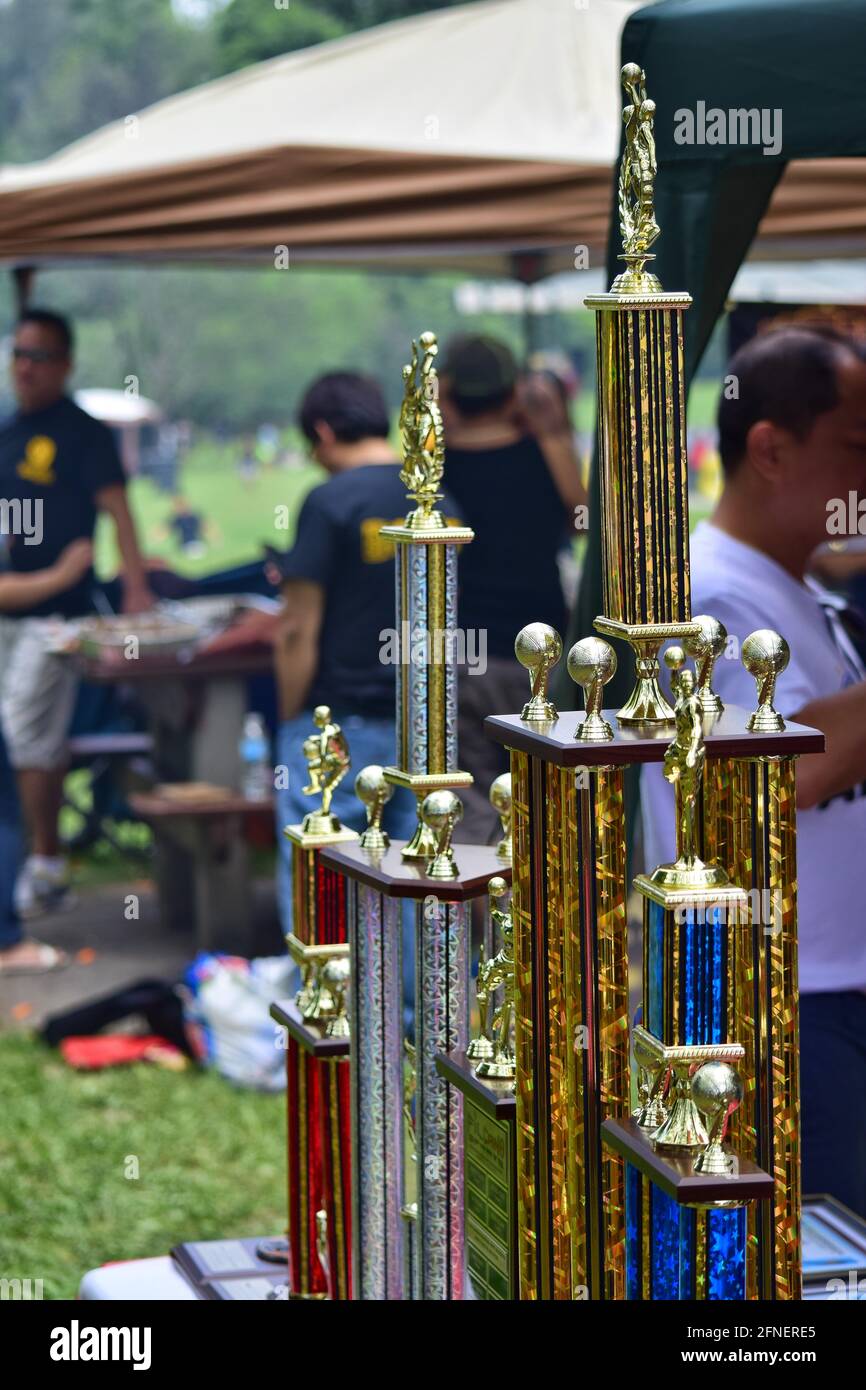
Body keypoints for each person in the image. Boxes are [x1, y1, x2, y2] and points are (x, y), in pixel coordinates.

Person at [641, 324, 866, 1217]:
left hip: (822, 985)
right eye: (855, 447)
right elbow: (777, 777)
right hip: (778, 997)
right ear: (770, 447)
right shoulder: (712, 594)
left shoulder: (789, 584)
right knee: (812, 1254)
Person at [0, 308, 153, 917]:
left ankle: (43, 859)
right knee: (12, 735)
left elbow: (118, 509)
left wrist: (137, 587)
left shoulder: (83, 432)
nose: (25, 366)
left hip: (58, 616)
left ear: (64, 364)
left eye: (39, 356)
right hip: (10, 604)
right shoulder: (7, 431)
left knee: (25, 733)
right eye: (18, 353)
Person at [272, 371, 422, 932]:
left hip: (337, 723)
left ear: (324, 431)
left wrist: (289, 722)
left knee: (323, 875)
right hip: (424, 727)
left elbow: (295, 631)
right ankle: (409, 1012)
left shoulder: (329, 500)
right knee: (411, 875)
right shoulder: (437, 494)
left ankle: (326, 1012)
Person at [440, 335, 587, 840]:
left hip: (464, 656)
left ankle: (486, 916)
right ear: (512, 393)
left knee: (474, 813)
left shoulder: (432, 468)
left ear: (449, 393)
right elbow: (582, 517)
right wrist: (555, 432)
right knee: (550, 804)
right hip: (541, 653)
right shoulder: (543, 454)